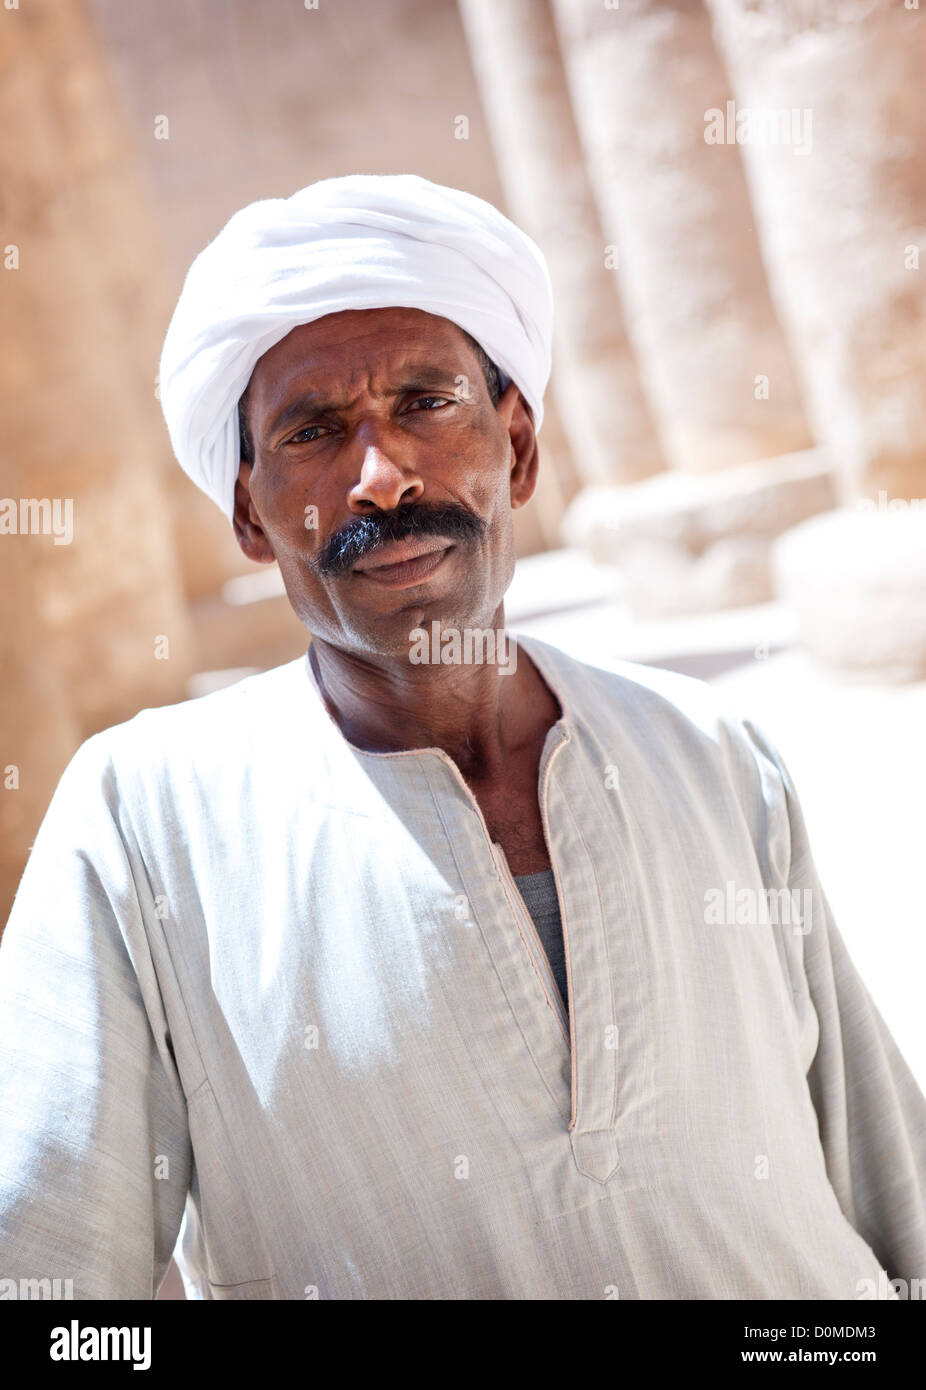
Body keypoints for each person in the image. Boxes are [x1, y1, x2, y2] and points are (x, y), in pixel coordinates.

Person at [1, 175, 923, 1301]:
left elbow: (892, 1187)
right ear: (250, 513)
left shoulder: (709, 751)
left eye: (426, 404)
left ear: (518, 448)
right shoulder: (143, 822)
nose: (381, 477)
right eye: (312, 431)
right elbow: (50, 1289)